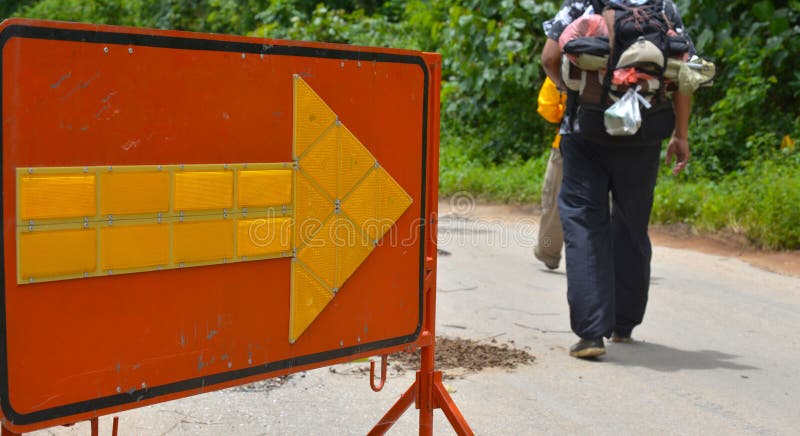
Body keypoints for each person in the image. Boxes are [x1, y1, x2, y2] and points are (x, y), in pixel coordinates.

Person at [540, 0, 694, 358]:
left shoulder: (583, 3)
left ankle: (591, 334)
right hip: (644, 135)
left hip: (585, 130)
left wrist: (571, 91)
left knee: (583, 223)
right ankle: (623, 324)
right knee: (632, 225)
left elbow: (549, 57)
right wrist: (681, 135)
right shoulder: (664, 8)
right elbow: (684, 73)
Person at [534, 77, 567, 271]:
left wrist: (566, 111)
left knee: (555, 200)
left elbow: (547, 107)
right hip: (616, 144)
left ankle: (548, 252)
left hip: (567, 141)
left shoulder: (565, 66)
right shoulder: (622, 68)